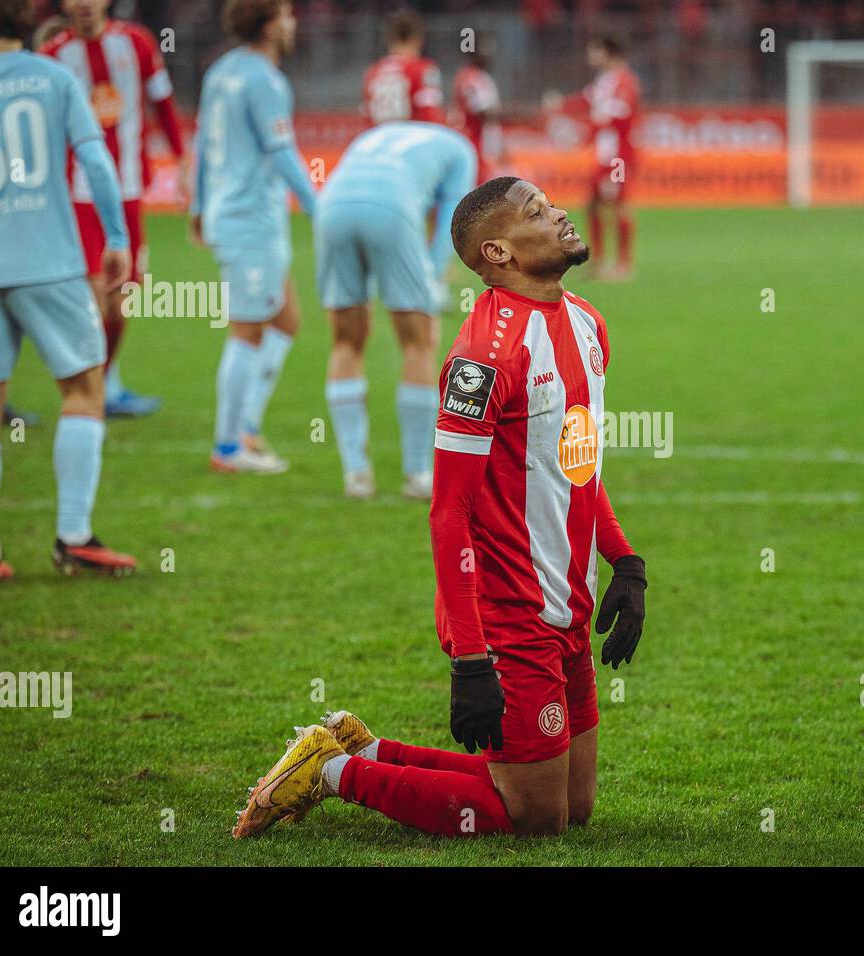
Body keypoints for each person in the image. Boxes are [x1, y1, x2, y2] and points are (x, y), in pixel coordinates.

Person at [233, 178, 649, 838]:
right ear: (499, 252)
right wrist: (472, 658)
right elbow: (447, 511)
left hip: (568, 596)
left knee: (573, 804)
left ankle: (355, 748)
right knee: (536, 817)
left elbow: (576, 462)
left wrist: (625, 560)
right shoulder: (481, 359)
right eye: (536, 212)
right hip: (507, 612)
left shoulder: (587, 322)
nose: (561, 212)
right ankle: (331, 775)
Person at [0, 0, 137, 583]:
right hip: (50, 262)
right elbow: (96, 160)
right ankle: (73, 537)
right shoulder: (55, 77)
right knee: (85, 386)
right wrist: (116, 236)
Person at [41, 0, 188, 419]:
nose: (84, 4)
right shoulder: (52, 57)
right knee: (92, 301)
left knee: (120, 304)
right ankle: (88, 395)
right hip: (78, 195)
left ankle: (105, 383)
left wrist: (181, 161)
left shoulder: (138, 43)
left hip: (128, 190)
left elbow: (163, 103)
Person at [316, 121, 476, 501]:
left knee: (345, 342)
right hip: (392, 208)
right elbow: (454, 219)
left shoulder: (371, 134)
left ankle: (356, 473)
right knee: (419, 342)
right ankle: (418, 475)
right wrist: (434, 274)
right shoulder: (459, 148)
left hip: (332, 205)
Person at [191, 0, 317, 475]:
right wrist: (318, 206)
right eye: (285, 15)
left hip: (236, 212)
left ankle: (244, 426)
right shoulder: (264, 79)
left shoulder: (220, 71)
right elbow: (281, 152)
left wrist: (198, 205)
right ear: (268, 25)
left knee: (285, 320)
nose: (292, 22)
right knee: (248, 328)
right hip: (249, 219)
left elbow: (203, 143)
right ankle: (227, 448)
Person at [545, 35, 640, 280]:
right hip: (604, 155)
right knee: (593, 205)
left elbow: (617, 118)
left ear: (609, 53)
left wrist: (584, 133)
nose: (591, 56)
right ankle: (598, 261)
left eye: (595, 51)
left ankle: (623, 265)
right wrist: (562, 104)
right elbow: (586, 101)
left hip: (618, 156)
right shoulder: (604, 81)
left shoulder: (625, 82)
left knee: (619, 206)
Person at [362, 8, 442, 127]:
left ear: (389, 39)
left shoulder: (373, 72)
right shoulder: (422, 69)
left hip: (380, 140)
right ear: (418, 39)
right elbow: (430, 114)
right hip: (411, 140)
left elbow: (367, 114)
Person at [451, 46, 503, 184]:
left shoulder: (475, 75)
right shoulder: (472, 77)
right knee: (479, 181)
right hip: (474, 135)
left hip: (476, 135)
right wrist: (513, 115)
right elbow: (483, 111)